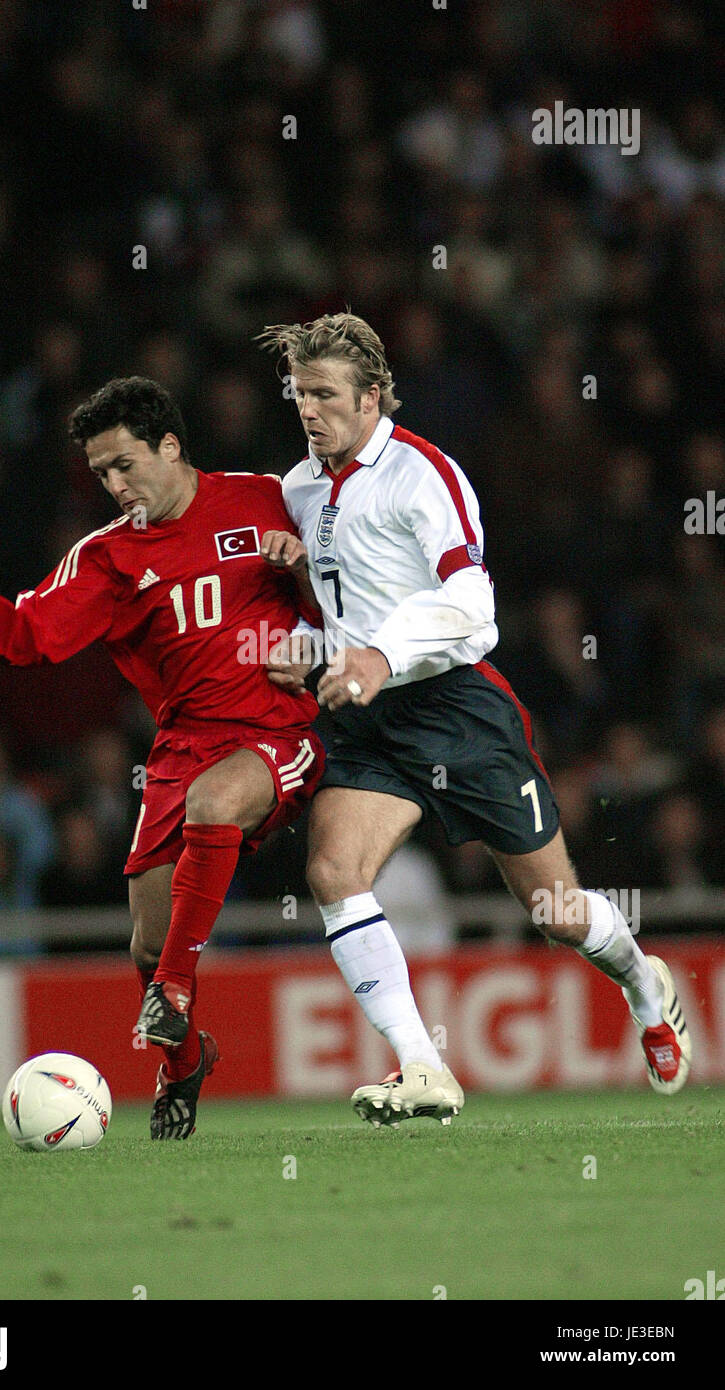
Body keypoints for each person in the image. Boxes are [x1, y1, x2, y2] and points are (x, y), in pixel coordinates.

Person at [257, 311, 691, 1127]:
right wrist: (310, 649)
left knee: (555, 913)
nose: (308, 410)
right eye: (298, 395)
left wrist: (379, 658)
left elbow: (471, 604)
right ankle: (422, 1066)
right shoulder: (297, 487)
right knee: (331, 873)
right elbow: (346, 618)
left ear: (372, 397)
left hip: (456, 708)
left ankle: (642, 985)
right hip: (367, 721)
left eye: (323, 394)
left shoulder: (423, 474)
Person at [0, 376, 324, 1138]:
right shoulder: (110, 556)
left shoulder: (265, 498)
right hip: (181, 747)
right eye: (101, 474)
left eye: (125, 464)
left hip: (275, 730)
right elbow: (36, 627)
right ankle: (183, 1063)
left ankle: (176, 989)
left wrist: (301, 575)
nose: (116, 485)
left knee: (212, 813)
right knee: (146, 944)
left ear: (170, 445)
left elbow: (347, 589)